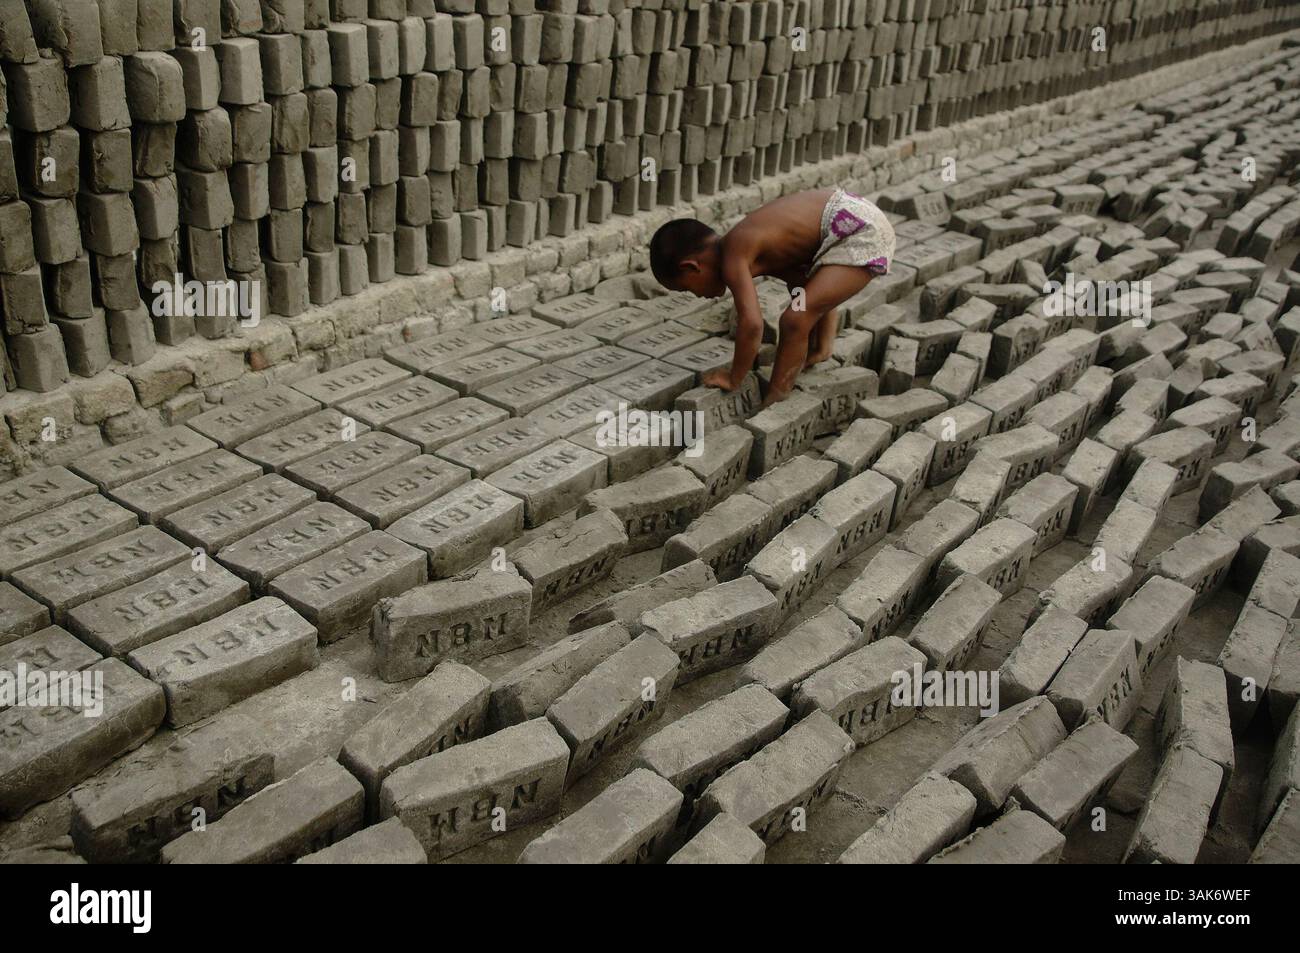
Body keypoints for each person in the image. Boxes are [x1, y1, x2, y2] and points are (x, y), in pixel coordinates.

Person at [648, 188, 895, 407]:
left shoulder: (733, 255)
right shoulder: (747, 244)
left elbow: (752, 324)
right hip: (850, 218)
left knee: (794, 320)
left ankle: (776, 398)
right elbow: (800, 280)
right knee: (806, 300)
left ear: (691, 267)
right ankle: (822, 348)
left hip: (859, 231)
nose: (697, 295)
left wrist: (734, 376)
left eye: (687, 289)